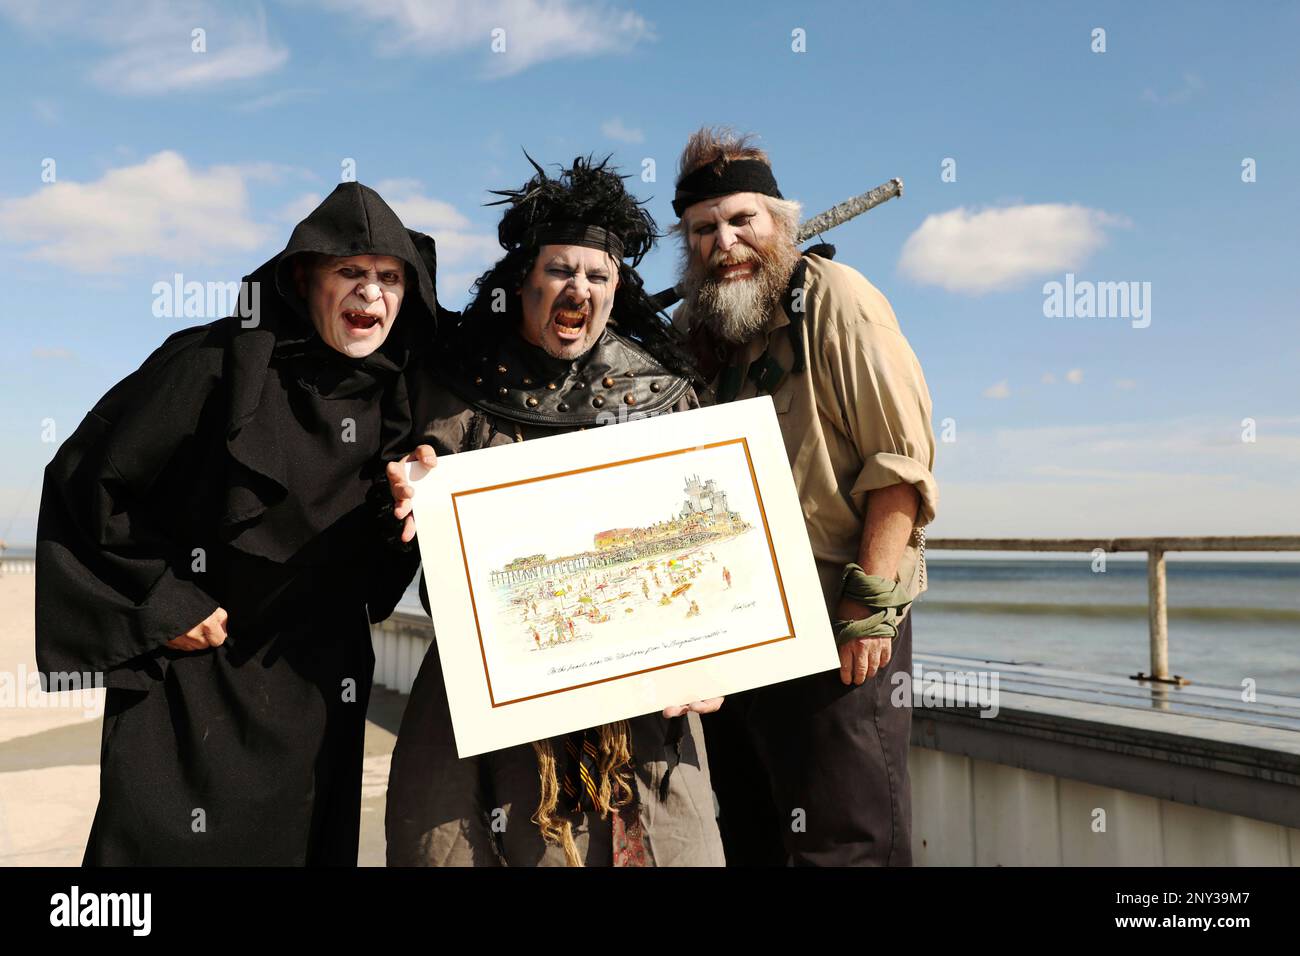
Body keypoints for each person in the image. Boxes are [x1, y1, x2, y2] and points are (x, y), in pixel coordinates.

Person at [34, 182, 439, 865]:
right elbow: (84, 482)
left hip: (319, 687)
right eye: (350, 271)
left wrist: (405, 505)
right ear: (304, 278)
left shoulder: (403, 395)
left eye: (390, 278)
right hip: (194, 675)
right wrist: (165, 604)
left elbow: (377, 569)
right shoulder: (212, 364)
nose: (372, 293)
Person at [384, 155, 725, 867]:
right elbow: (412, 499)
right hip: (488, 679)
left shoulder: (664, 395)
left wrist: (714, 655)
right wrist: (410, 485)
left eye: (597, 275)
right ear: (523, 282)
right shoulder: (456, 387)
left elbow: (712, 551)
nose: (579, 288)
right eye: (561, 271)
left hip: (636, 696)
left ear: (616, 288)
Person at [669, 128, 939, 866]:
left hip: (838, 615)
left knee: (845, 842)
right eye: (703, 229)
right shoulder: (697, 329)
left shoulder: (839, 301)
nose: (725, 242)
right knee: (751, 834)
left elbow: (899, 465)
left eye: (742, 220)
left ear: (781, 223)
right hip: (739, 626)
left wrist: (867, 609)